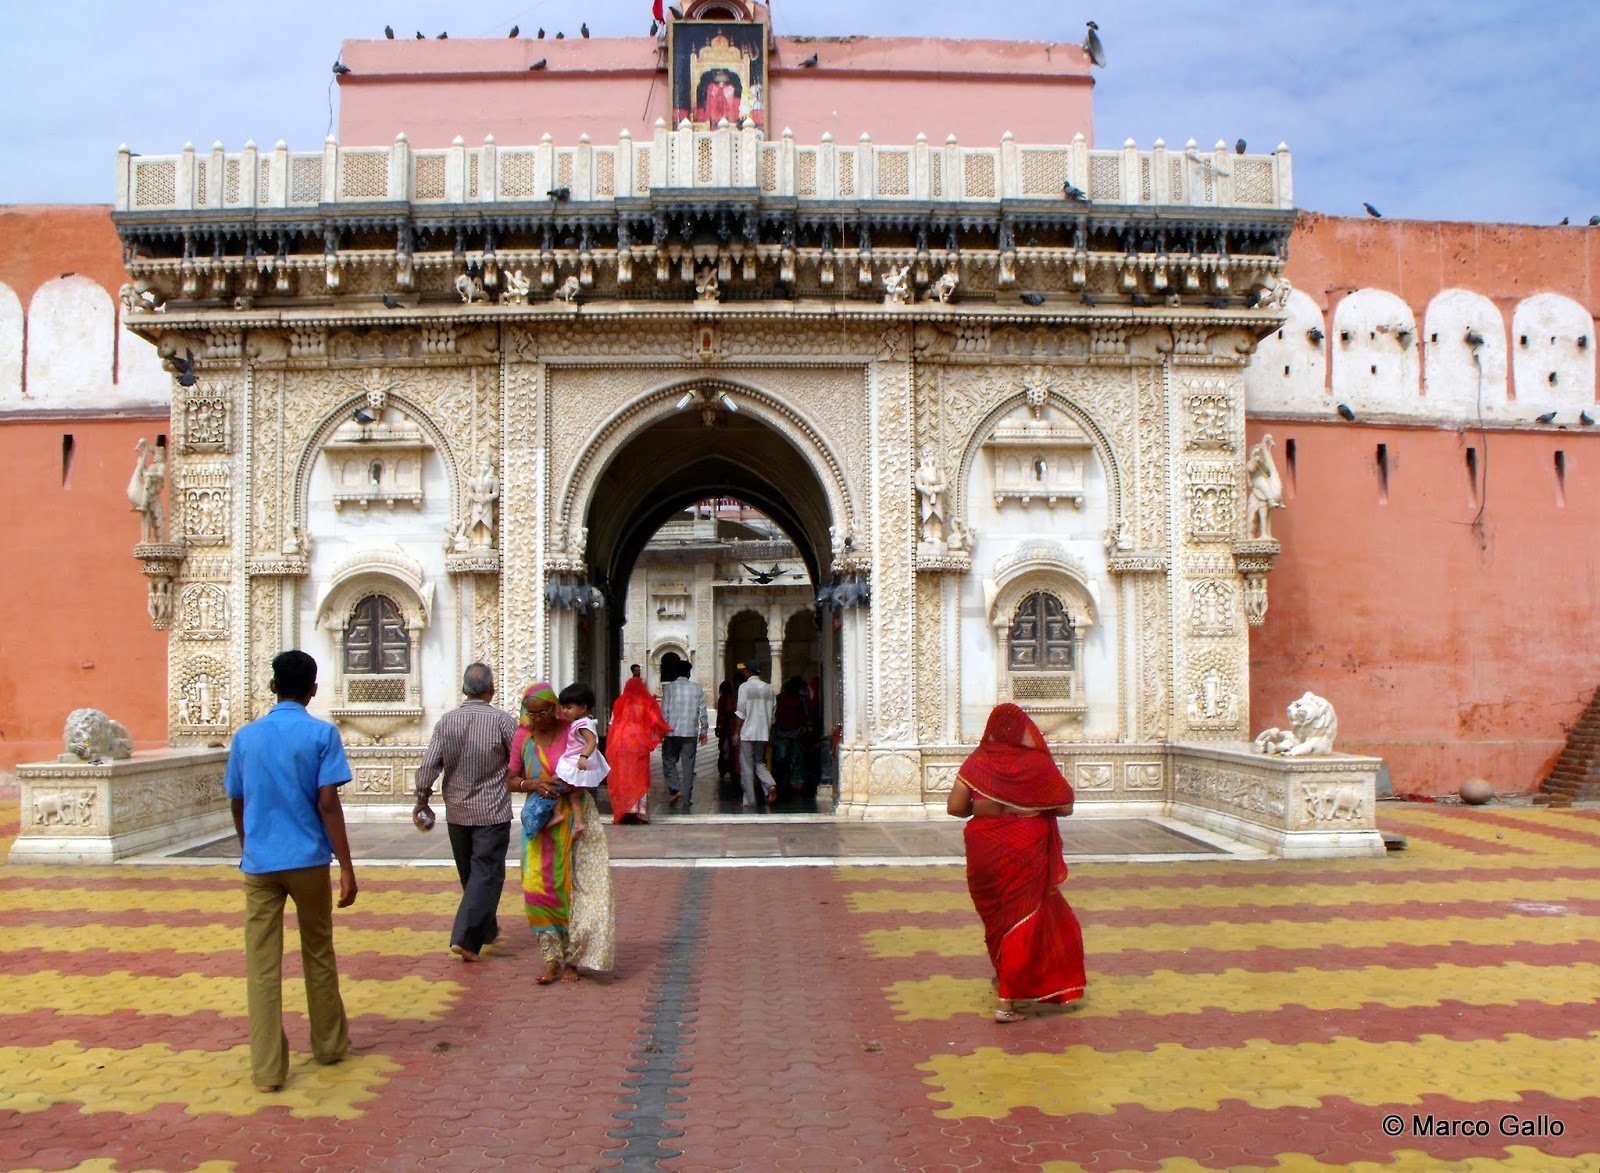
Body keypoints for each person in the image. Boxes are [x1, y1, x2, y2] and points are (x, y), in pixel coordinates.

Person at [223, 649, 356, 1093]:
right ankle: (329, 1044)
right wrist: (347, 868)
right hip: (309, 861)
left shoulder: (246, 738)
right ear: (313, 689)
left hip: (261, 864)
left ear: (272, 686)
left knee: (262, 966)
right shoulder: (322, 734)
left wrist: (249, 845)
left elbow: (237, 801)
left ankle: (267, 1070)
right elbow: (327, 804)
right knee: (318, 951)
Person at [945, 703, 1085, 1024]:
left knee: (997, 918)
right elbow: (1064, 806)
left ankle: (1004, 977)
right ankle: (1006, 1002)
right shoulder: (1036, 764)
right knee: (1022, 917)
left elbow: (955, 807)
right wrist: (1030, 802)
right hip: (1025, 847)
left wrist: (987, 806)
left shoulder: (978, 761)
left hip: (984, 850)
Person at [508, 683, 616, 984]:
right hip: (541, 820)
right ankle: (550, 956)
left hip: (575, 818)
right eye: (531, 714)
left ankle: (574, 957)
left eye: (543, 712)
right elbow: (511, 778)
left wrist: (572, 781)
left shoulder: (572, 730)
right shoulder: (522, 737)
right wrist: (531, 785)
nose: (537, 719)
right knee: (540, 886)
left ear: (555, 708)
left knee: (576, 887)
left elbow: (590, 764)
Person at [413, 662, 520, 963]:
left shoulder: (447, 722)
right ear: (491, 689)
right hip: (492, 811)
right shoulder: (502, 721)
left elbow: (429, 764)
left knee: (472, 875)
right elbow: (519, 758)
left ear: (463, 689)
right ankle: (465, 938)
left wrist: (422, 798)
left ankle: (485, 928)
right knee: (485, 875)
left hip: (458, 812)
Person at [607, 674, 672, 823]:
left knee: (623, 778)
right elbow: (656, 721)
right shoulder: (645, 704)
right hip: (638, 743)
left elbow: (612, 723)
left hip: (619, 743)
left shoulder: (619, 703)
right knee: (639, 778)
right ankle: (639, 812)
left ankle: (625, 811)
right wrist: (663, 732)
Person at [554, 683, 609, 839]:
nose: (564, 711)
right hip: (577, 761)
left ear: (582, 708)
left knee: (555, 783)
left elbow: (592, 742)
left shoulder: (582, 724)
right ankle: (579, 824)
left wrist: (583, 757)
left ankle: (557, 813)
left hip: (575, 762)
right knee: (574, 796)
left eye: (568, 707)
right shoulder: (583, 722)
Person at [660, 658, 709, 808]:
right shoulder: (697, 688)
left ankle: (675, 788)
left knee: (669, 760)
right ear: (689, 673)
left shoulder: (669, 688)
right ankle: (686, 799)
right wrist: (704, 731)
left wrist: (662, 731)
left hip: (672, 731)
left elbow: (665, 712)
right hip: (690, 732)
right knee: (688, 766)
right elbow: (703, 711)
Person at [734, 661, 777, 808]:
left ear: (748, 672)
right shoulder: (768, 689)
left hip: (748, 732)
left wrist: (736, 732)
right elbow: (772, 715)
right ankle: (770, 784)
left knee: (747, 767)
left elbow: (741, 712)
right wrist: (769, 733)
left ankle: (749, 800)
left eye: (744, 670)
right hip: (763, 732)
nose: (743, 673)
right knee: (759, 762)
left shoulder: (744, 687)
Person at [771, 676, 811, 790]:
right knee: (796, 759)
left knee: (782, 758)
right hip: (797, 733)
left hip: (783, 733)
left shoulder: (779, 699)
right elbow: (807, 715)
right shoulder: (801, 699)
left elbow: (774, 716)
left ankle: (783, 780)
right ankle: (796, 782)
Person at [714, 677, 739, 784]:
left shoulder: (723, 699)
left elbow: (721, 714)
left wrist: (718, 725)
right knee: (731, 749)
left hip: (727, 726)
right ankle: (732, 770)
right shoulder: (733, 698)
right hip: (731, 726)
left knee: (724, 748)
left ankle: (724, 769)